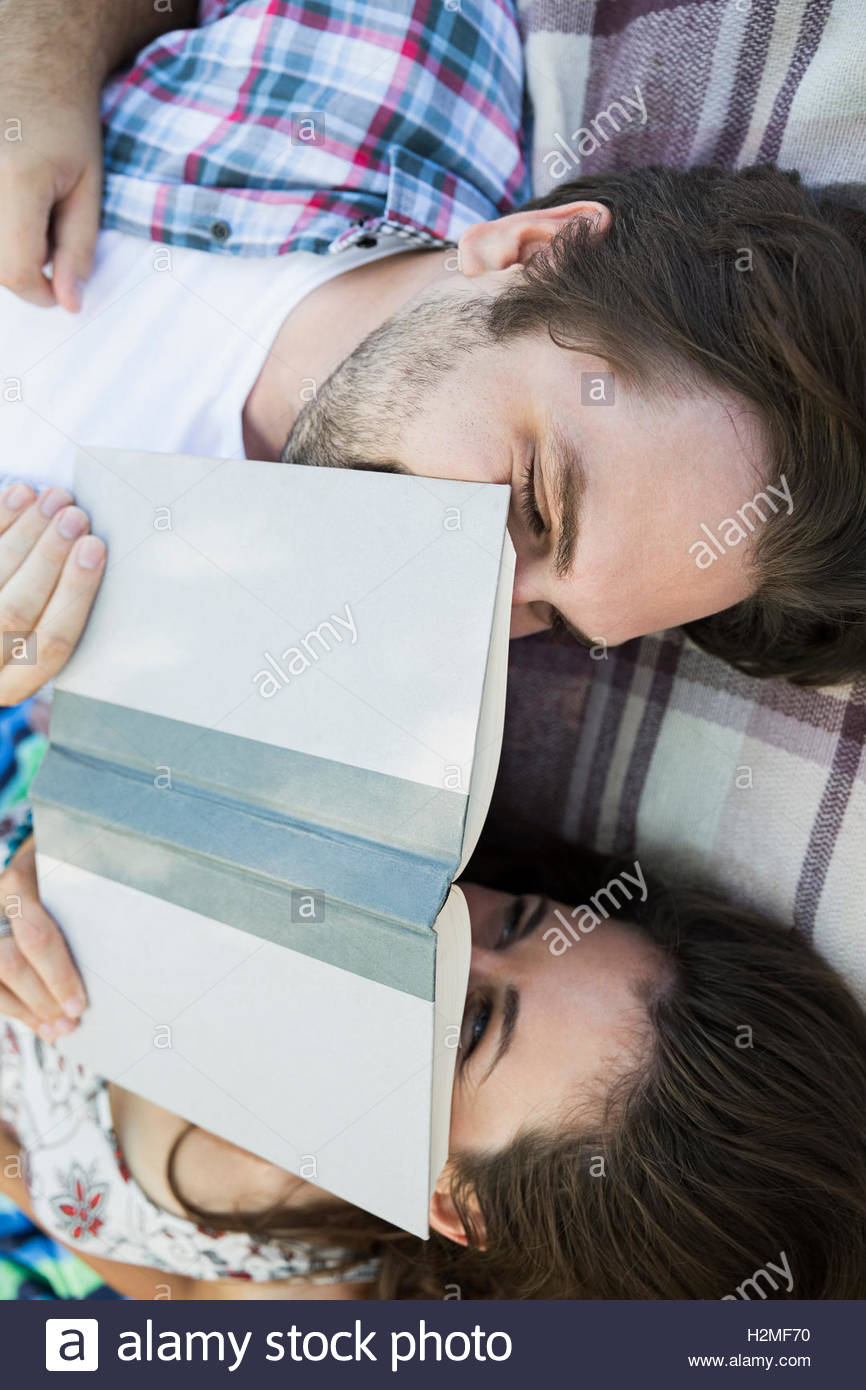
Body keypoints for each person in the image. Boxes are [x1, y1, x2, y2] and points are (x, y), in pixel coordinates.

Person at [1, 4, 866, 686]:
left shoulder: (236, 677)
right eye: (533, 504)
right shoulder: (397, 58)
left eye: (552, 620)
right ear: (530, 251)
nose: (471, 605)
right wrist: (37, 57)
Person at [1, 832, 864, 1300]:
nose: (434, 934)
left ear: (450, 1203)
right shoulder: (360, 826)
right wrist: (79, 847)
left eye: (474, 1025)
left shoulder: (288, 1284)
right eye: (516, 921)